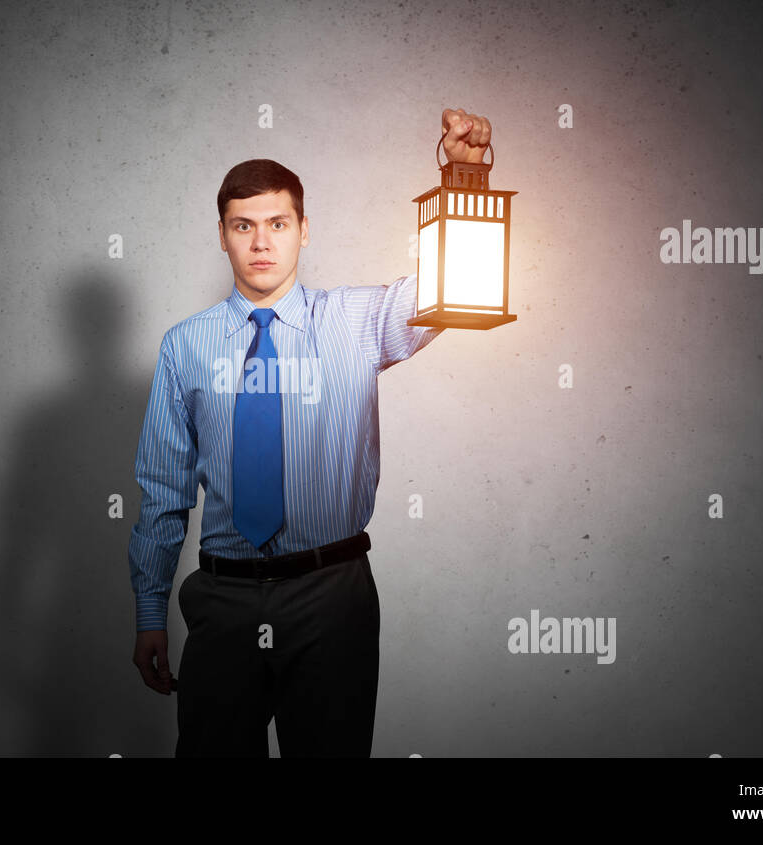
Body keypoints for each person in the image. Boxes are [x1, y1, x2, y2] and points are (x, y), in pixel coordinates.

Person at [130, 107, 493, 757]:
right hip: (223, 601)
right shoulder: (184, 347)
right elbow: (163, 492)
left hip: (332, 598)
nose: (261, 242)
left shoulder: (360, 320)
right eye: (244, 226)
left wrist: (464, 177)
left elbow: (459, 287)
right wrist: (151, 613)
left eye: (277, 223)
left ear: (304, 230)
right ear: (222, 235)